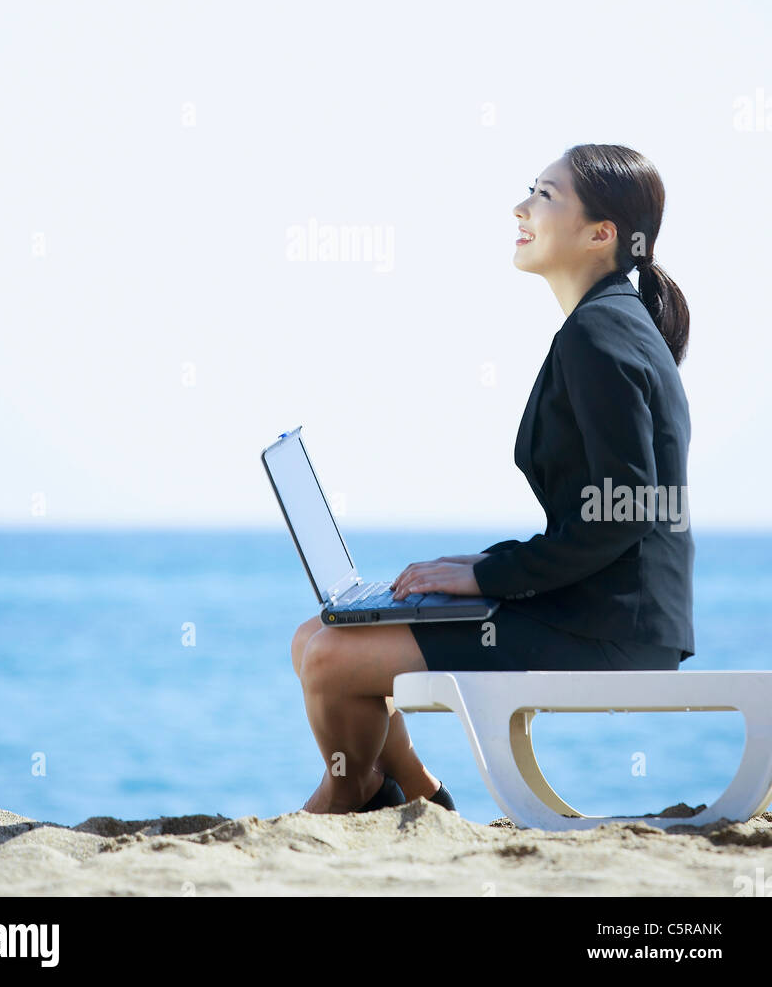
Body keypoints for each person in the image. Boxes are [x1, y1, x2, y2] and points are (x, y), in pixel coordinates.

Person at [290, 143, 694, 815]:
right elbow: (599, 517)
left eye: (545, 194)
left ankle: (354, 791)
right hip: (595, 608)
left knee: (332, 659)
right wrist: (481, 563)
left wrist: (484, 579)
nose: (522, 207)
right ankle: (414, 792)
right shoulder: (604, 325)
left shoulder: (602, 335)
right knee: (315, 637)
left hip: (609, 628)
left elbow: (624, 516)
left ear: (602, 235)